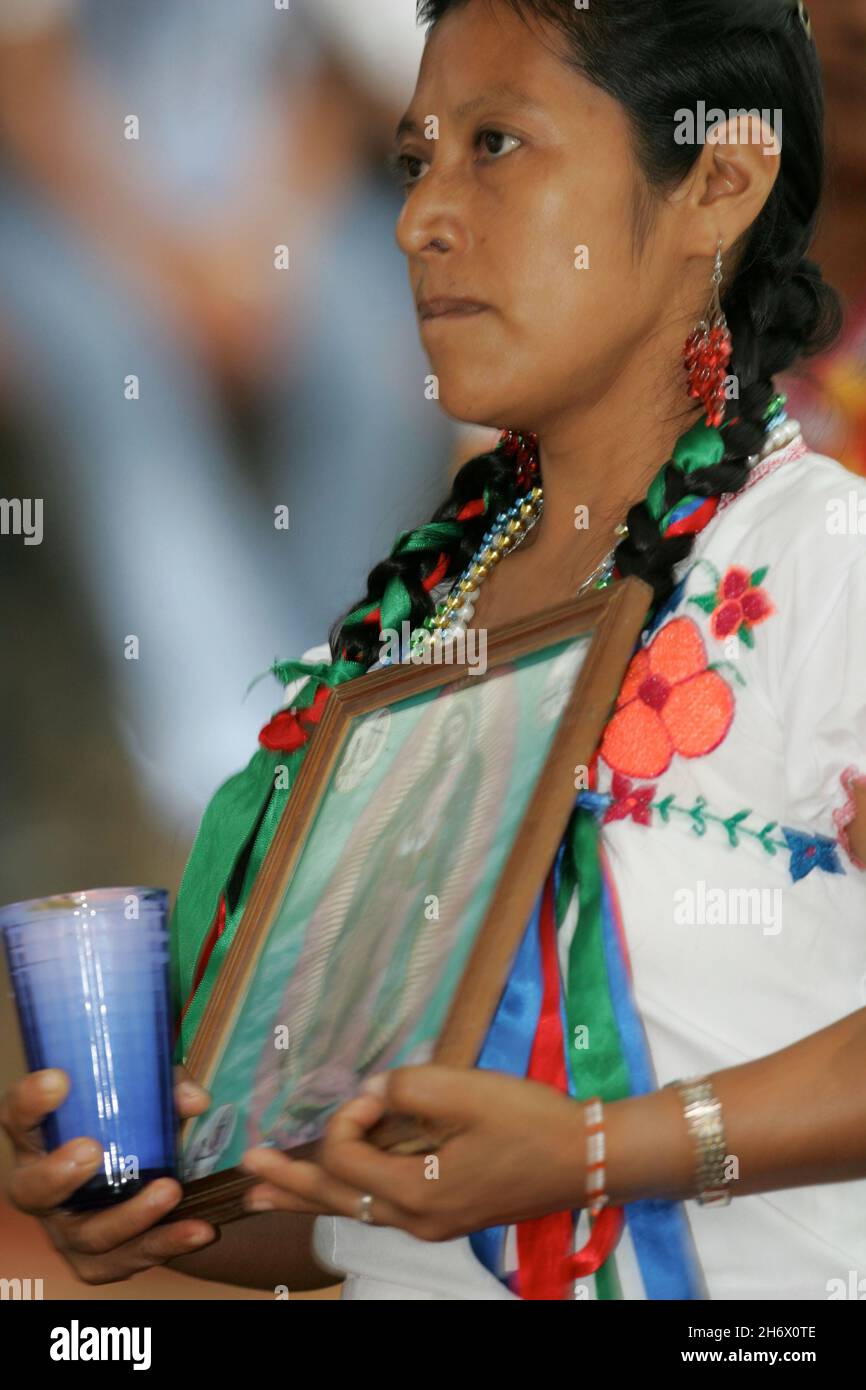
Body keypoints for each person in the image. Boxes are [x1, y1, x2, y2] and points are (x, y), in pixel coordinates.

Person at [3, 0, 866, 1300]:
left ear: (715, 184)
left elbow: (553, 1165)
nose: (419, 217)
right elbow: (383, 1199)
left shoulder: (818, 564)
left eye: (497, 147)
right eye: (413, 160)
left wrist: (593, 1148)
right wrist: (156, 1206)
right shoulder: (412, 630)